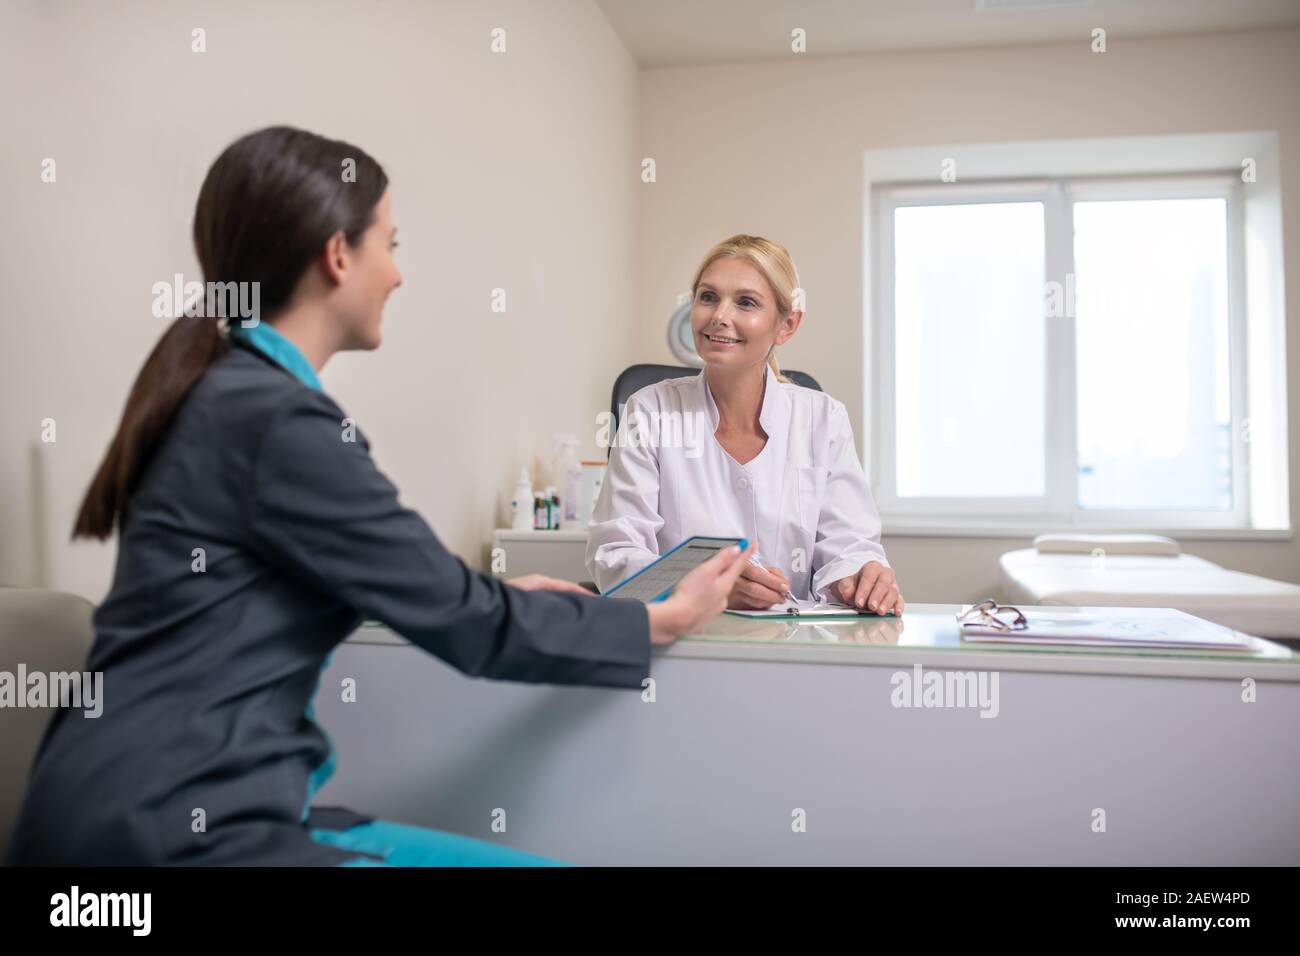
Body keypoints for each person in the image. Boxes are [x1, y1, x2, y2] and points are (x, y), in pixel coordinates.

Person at [4, 126, 752, 867]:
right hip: (162, 834)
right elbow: (468, 624)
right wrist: (657, 618)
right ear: (338, 254)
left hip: (160, 807)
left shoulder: (228, 393)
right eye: (389, 245)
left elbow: (333, 588)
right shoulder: (275, 419)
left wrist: (476, 594)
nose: (397, 274)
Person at [586, 235, 903, 615]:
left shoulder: (823, 419)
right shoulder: (651, 412)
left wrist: (858, 578)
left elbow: (849, 547)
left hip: (792, 646)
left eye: (746, 302)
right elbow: (615, 554)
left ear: (786, 325)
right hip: (682, 645)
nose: (719, 315)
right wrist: (702, 585)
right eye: (707, 297)